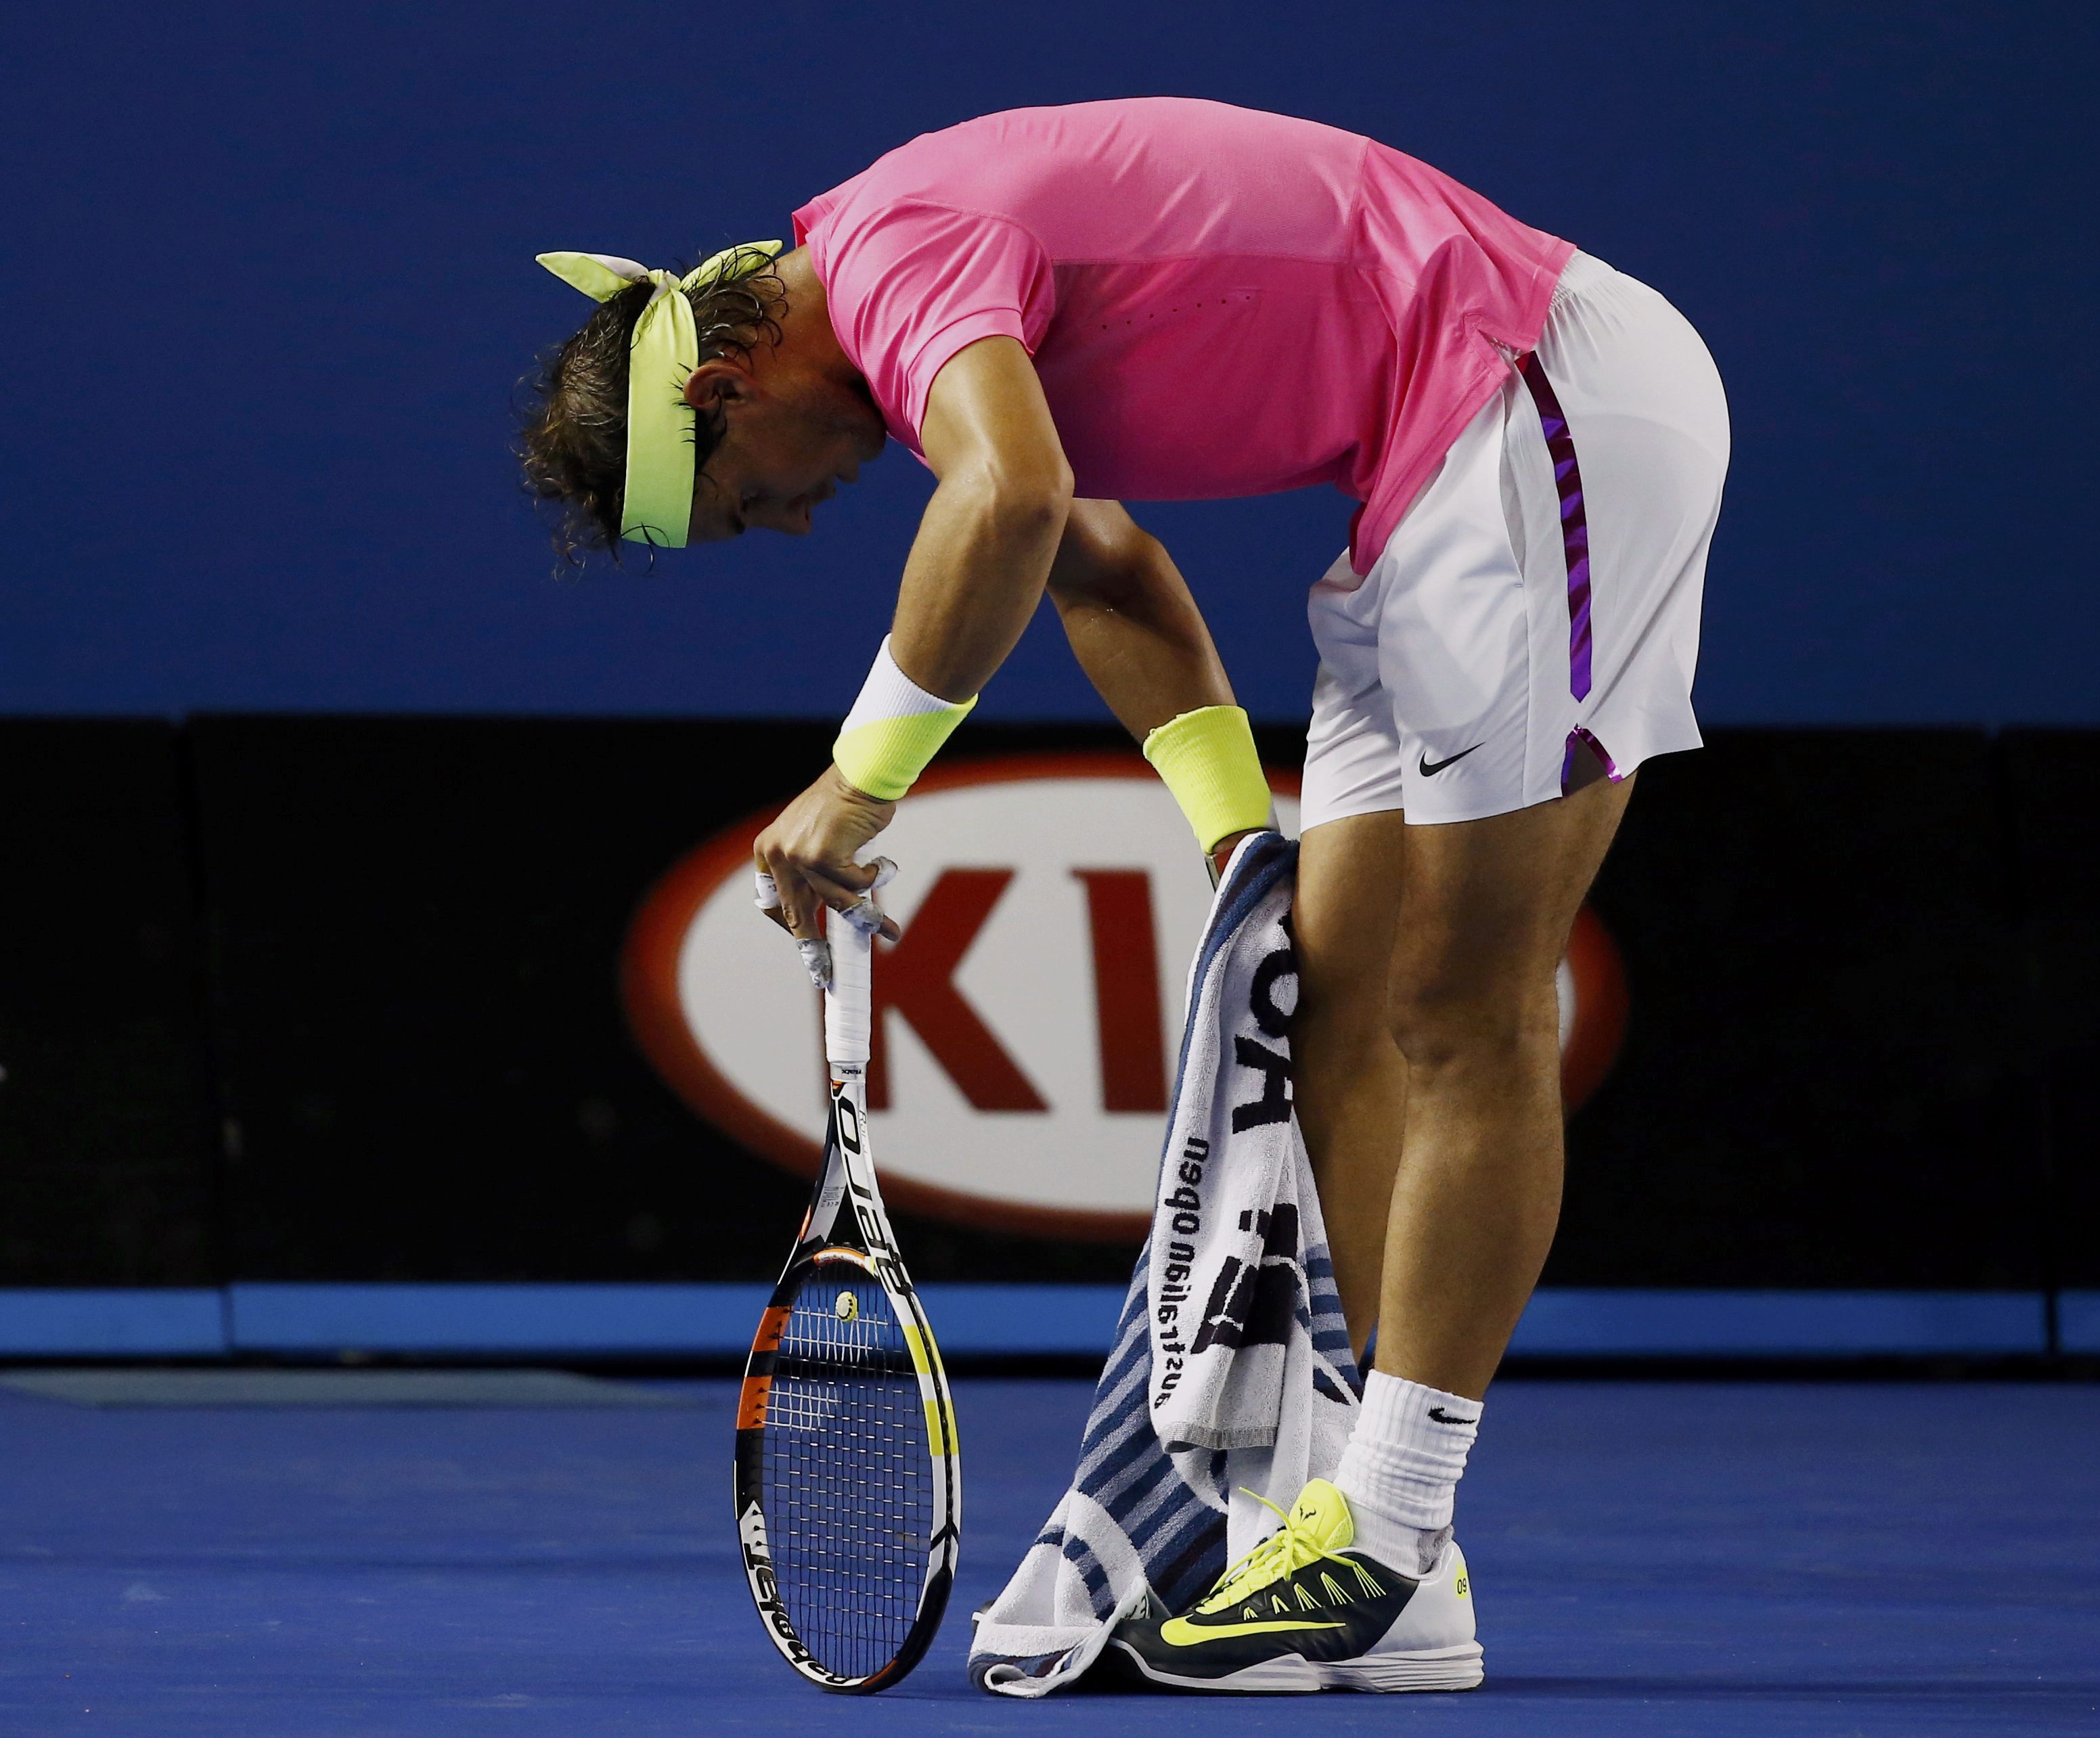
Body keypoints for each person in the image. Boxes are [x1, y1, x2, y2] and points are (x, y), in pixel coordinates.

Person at [520, 97, 1727, 1693]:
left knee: (1462, 1008)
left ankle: (1381, 1532)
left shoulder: (890, 250)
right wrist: (1235, 836)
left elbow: (1012, 509)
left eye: (753, 497)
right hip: (1426, 481)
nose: (804, 519)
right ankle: (1397, 1562)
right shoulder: (915, 310)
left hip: (1535, 401)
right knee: (1339, 1014)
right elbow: (1095, 559)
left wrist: (858, 781)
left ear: (719, 384)